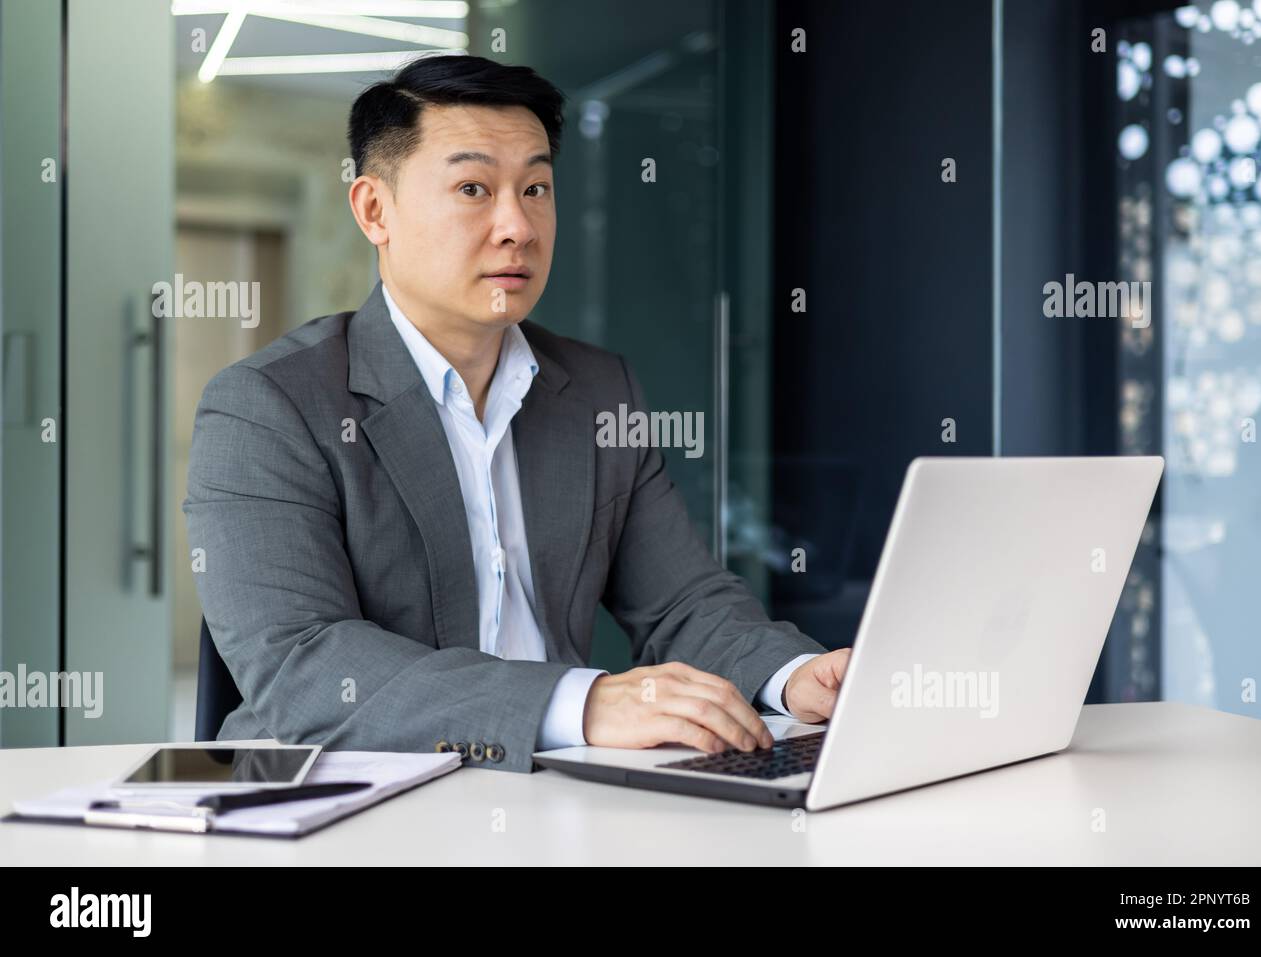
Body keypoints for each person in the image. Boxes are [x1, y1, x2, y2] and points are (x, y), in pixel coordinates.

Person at [184, 54, 849, 773]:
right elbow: (302, 663)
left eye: (536, 189)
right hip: (346, 797)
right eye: (473, 188)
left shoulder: (597, 390)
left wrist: (794, 676)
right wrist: (580, 704)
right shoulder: (267, 405)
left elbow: (681, 600)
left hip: (550, 790)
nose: (517, 227)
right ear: (375, 210)